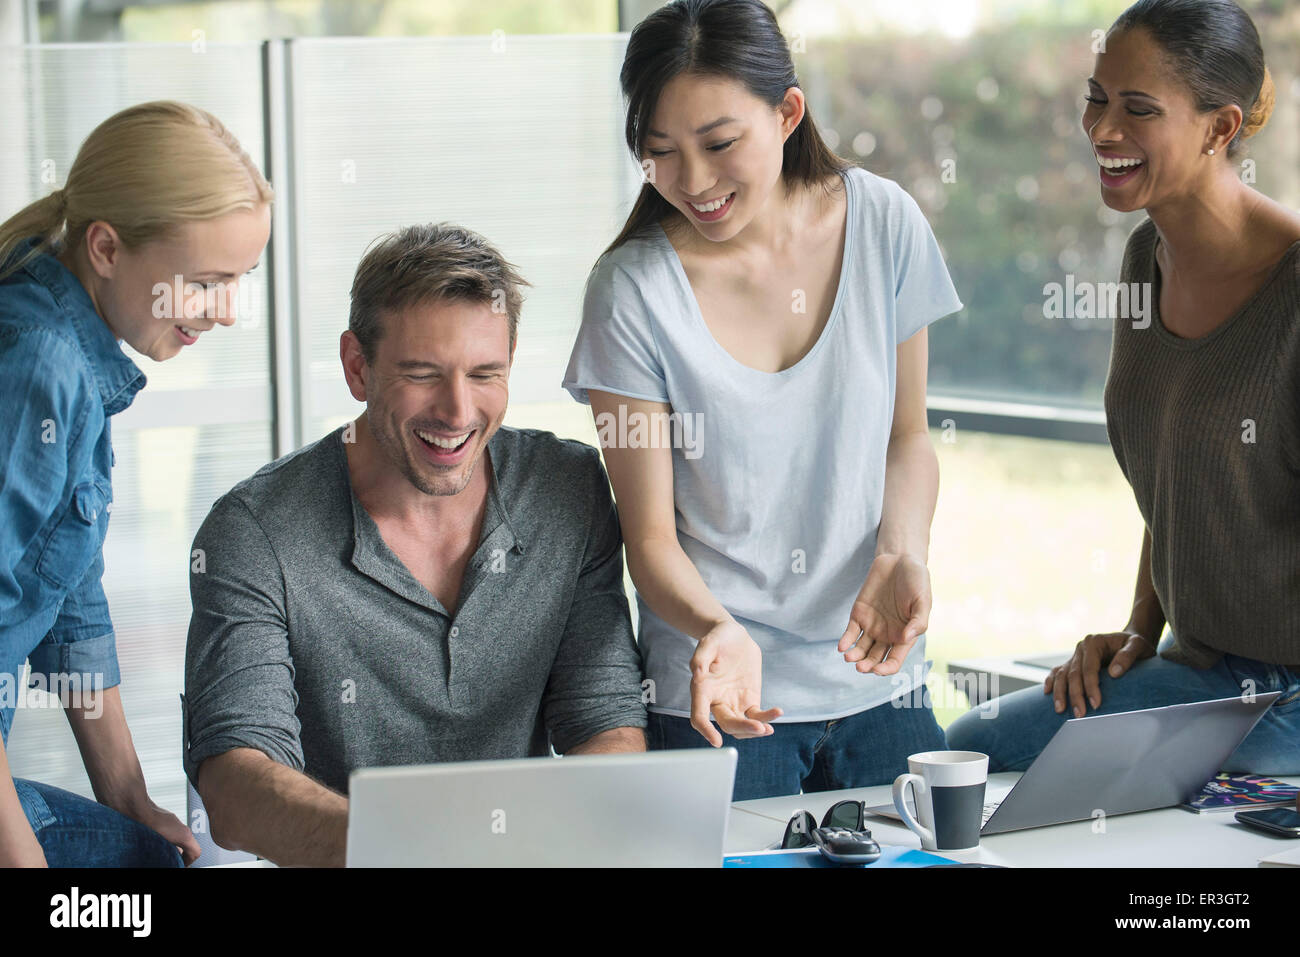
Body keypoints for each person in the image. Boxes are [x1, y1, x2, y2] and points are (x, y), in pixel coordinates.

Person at [562, 0, 964, 800]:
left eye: (719, 143)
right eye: (661, 153)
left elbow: (907, 437)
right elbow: (649, 539)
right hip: (719, 700)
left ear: (788, 113)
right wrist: (718, 627)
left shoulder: (883, 221)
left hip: (881, 681)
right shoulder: (631, 293)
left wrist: (903, 548)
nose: (694, 182)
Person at [185, 223, 648, 867]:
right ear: (356, 366)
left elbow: (605, 721)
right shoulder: (254, 531)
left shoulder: (566, 489)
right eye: (423, 374)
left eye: (485, 373)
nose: (458, 412)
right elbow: (235, 786)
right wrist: (418, 854)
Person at [947, 0, 1300, 775]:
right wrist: (1142, 626)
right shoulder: (1147, 257)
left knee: (1025, 779)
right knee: (972, 747)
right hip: (1200, 663)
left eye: (1139, 109)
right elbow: (1183, 469)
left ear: (1219, 128)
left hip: (1287, 696)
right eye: (1096, 98)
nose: (1103, 129)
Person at [0, 100, 272, 867]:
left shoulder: (76, 348)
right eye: (206, 282)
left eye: (240, 281)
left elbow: (71, 606)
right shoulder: (41, 365)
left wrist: (128, 796)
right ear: (108, 248)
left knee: (150, 859)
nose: (224, 312)